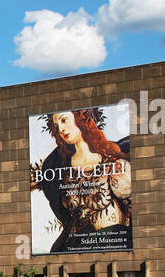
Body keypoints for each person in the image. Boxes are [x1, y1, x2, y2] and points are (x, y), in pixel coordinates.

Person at [31, 108, 132, 252]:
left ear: (80, 119)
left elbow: (131, 209)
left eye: (64, 120)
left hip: (114, 242)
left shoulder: (111, 160)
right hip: (76, 247)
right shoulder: (60, 167)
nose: (61, 128)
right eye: (56, 125)